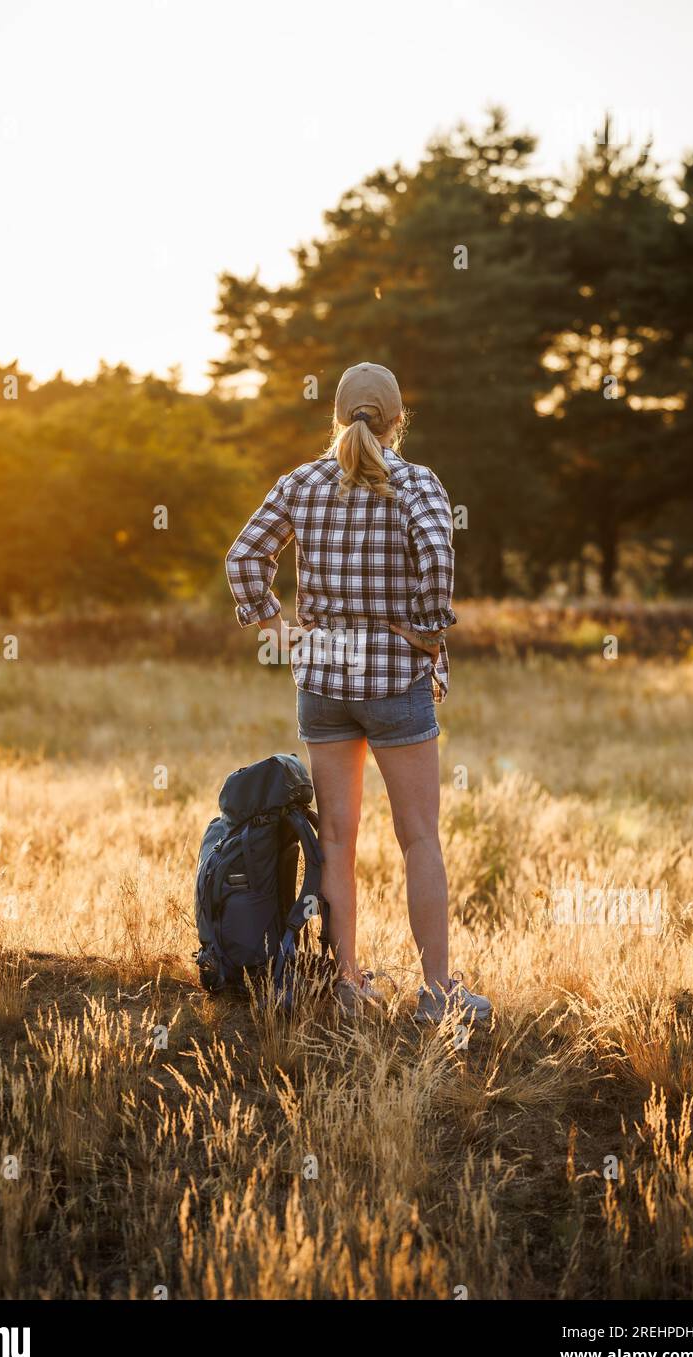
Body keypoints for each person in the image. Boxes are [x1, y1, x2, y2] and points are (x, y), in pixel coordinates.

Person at [225, 362, 490, 1024]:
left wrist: (275, 627)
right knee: (419, 837)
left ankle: (345, 986)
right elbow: (438, 554)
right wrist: (427, 633)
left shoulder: (301, 482)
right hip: (394, 677)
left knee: (338, 838)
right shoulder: (417, 483)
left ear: (338, 417)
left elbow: (243, 557)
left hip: (322, 681)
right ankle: (437, 994)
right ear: (399, 420)